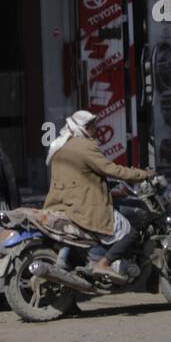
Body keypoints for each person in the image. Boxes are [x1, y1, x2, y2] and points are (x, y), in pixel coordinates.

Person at [42, 110, 155, 281]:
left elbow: (79, 176)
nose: (97, 129)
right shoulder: (85, 146)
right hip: (85, 206)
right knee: (130, 233)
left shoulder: (59, 145)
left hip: (61, 204)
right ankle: (104, 263)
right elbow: (112, 169)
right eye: (94, 126)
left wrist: (105, 184)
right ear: (85, 127)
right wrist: (143, 174)